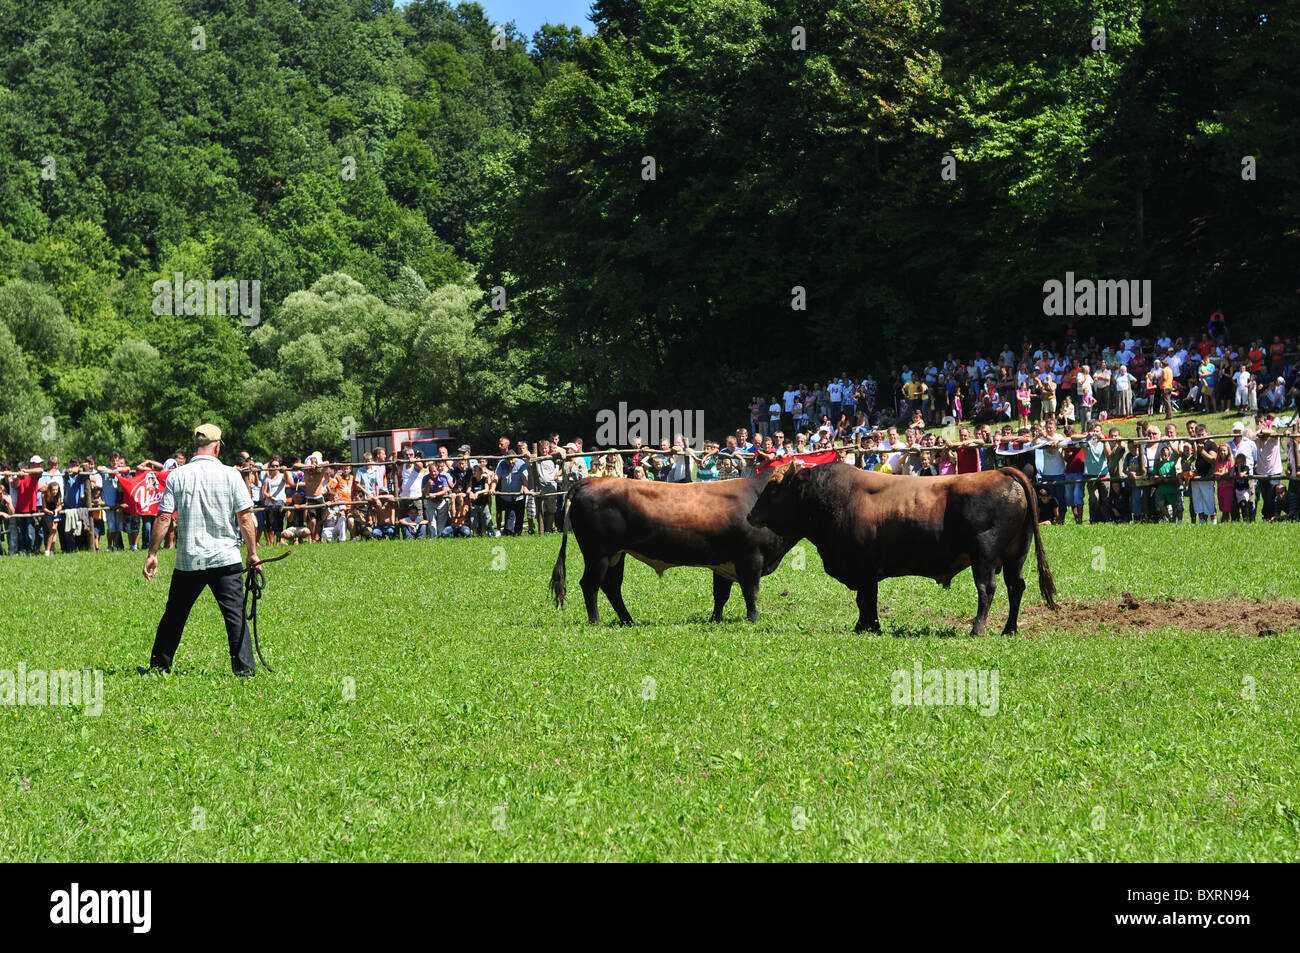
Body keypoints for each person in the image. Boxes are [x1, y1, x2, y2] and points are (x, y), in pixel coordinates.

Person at [140, 424, 260, 677]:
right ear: (217, 446)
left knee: (174, 615)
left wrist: (153, 554)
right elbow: (245, 518)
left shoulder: (177, 476)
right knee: (235, 615)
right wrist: (252, 553)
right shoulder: (231, 474)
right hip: (226, 558)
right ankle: (245, 670)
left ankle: (160, 667)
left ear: (195, 446)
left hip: (190, 560)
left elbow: (164, 517)